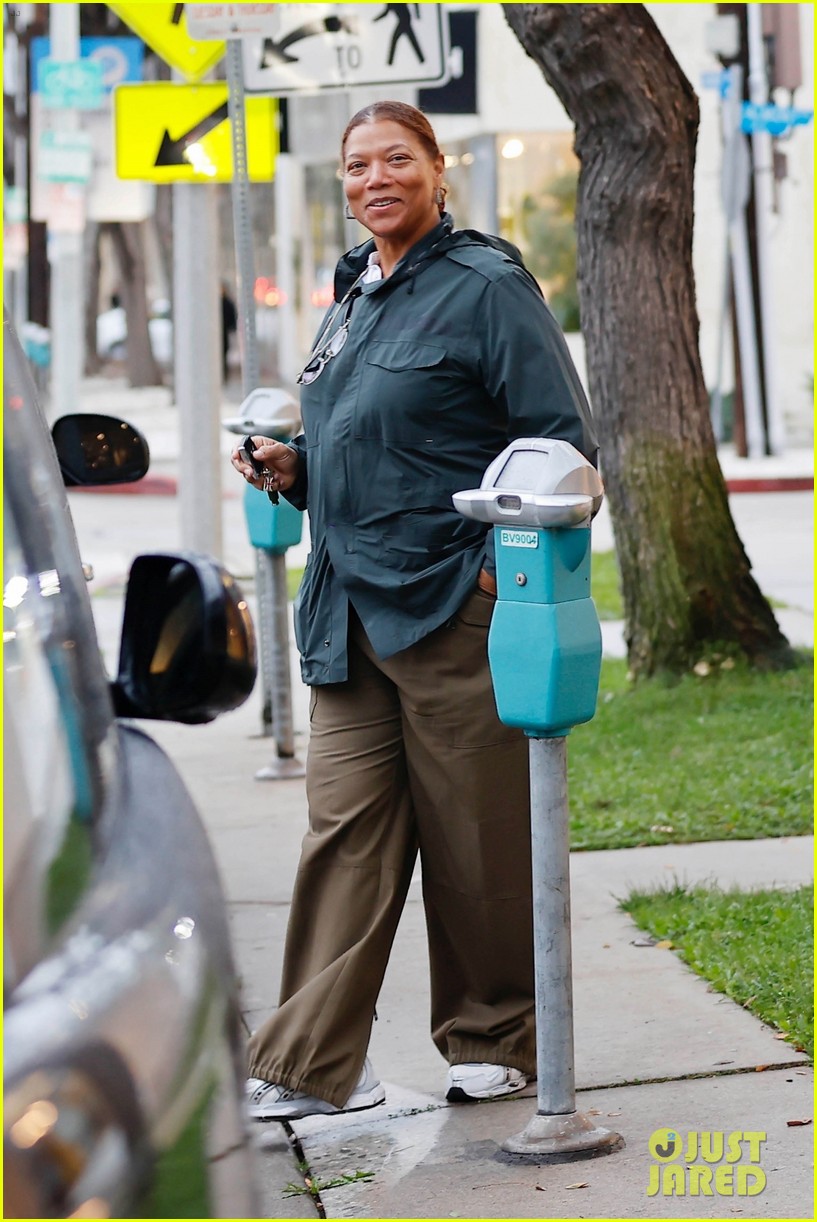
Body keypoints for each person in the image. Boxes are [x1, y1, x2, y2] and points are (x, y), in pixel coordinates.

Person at [231, 101, 597, 1121]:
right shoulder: (353, 291)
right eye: (356, 166)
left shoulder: (485, 287)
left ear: (438, 170)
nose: (373, 178)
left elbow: (563, 444)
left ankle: (495, 1036)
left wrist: (489, 577)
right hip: (348, 610)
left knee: (475, 838)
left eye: (396, 159)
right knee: (340, 834)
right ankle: (309, 1064)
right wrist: (295, 470)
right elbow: (369, 447)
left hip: (450, 606)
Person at [220, 284, 237, 380]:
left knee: (224, 354)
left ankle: (224, 375)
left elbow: (232, 317)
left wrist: (232, 327)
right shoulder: (216, 302)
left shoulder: (227, 303)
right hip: (218, 333)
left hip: (224, 332)